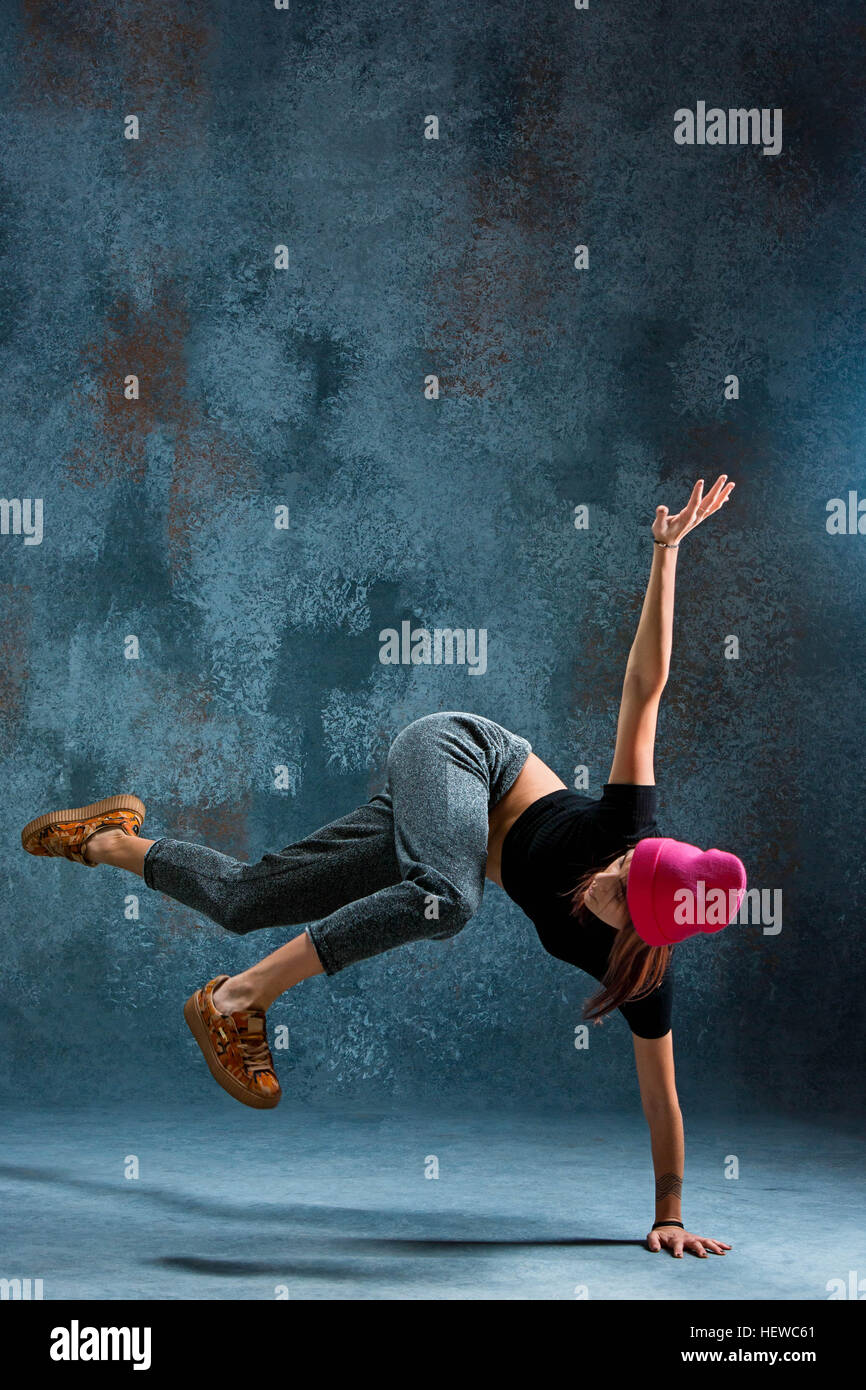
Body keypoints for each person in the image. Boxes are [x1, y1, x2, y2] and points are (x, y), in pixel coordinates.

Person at [22, 475, 744, 1259]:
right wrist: (665, 555)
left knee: (243, 899)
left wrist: (668, 1212)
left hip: (444, 838)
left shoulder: (641, 977)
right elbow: (647, 688)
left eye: (619, 892)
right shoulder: (627, 822)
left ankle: (108, 839)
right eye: (626, 862)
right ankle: (237, 998)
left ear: (642, 926)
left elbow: (662, 1102)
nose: (608, 875)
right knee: (450, 901)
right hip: (459, 754)